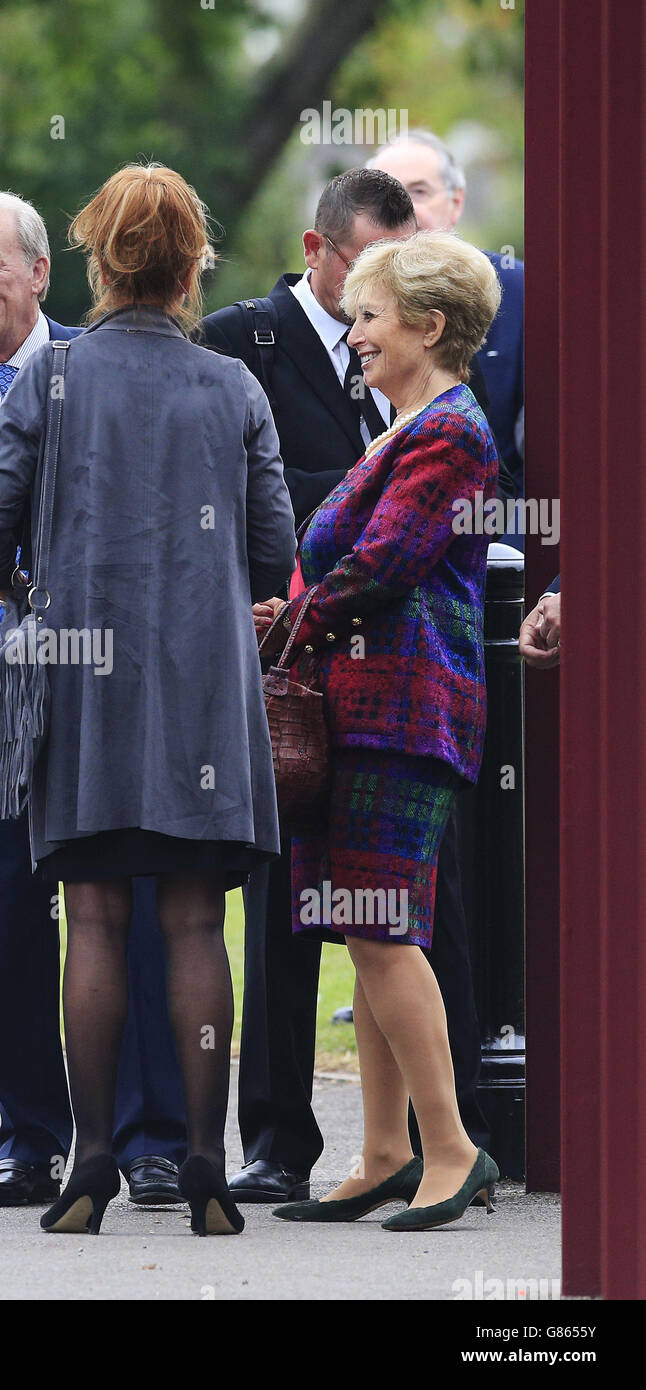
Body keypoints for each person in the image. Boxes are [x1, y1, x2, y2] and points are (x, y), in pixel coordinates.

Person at [0, 163, 296, 1236]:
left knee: (94, 924)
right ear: (194, 263)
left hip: (84, 690)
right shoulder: (233, 387)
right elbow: (276, 553)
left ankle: (90, 1161)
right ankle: (203, 1162)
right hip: (203, 694)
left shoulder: (48, 379)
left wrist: (36, 591)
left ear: (96, 261)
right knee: (197, 924)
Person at [0, 189, 188, 1211]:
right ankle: (28, 1138)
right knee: (4, 930)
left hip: (100, 705)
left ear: (40, 273)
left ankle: (146, 1138)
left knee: (128, 916)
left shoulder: (98, 377)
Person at [200, 169, 490, 1207]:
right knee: (364, 927)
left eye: (369, 318)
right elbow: (351, 572)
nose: (353, 335)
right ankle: (379, 1151)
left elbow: (382, 569)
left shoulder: (449, 430)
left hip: (401, 712)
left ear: (426, 325)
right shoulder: (401, 429)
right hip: (360, 708)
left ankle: (447, 1146)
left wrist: (289, 631)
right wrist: (288, 615)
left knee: (380, 930)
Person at [369, 130, 524, 497]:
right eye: (388, 196)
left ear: (456, 202)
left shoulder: (518, 291)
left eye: (419, 191)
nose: (404, 207)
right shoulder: (348, 297)